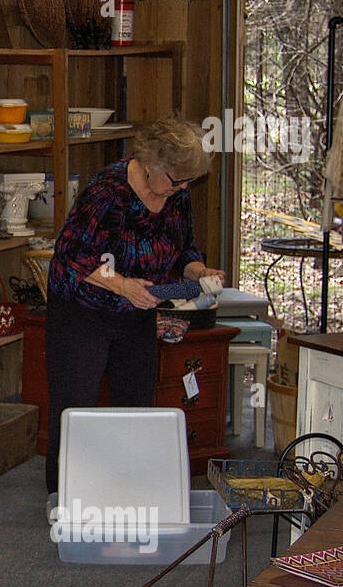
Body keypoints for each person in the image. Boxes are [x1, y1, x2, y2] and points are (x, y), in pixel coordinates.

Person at [44, 118, 225, 494]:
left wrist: (200, 271)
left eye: (187, 183)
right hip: (83, 309)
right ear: (152, 164)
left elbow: (184, 249)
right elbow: (71, 255)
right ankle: (64, 495)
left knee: (136, 401)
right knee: (76, 406)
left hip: (137, 309)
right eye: (176, 181)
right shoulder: (107, 191)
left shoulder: (177, 195)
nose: (181, 189)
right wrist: (123, 285)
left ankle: (123, 490)